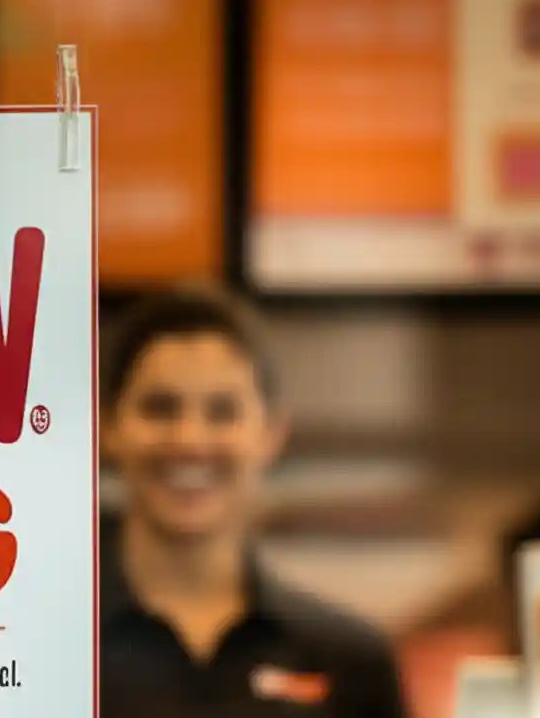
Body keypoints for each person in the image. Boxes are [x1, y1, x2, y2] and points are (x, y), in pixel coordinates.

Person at [100, 287, 408, 717]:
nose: (189, 440)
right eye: (160, 408)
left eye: (223, 411)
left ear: (272, 434)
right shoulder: (32, 647)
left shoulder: (350, 660)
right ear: (108, 426)